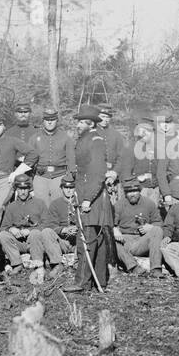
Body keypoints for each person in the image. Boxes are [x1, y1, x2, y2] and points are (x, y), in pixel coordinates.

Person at [64, 106, 116, 292]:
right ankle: (99, 281)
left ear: (91, 123)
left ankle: (82, 283)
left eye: (81, 122)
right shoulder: (85, 140)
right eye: (78, 121)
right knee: (96, 240)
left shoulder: (95, 141)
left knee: (86, 240)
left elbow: (97, 173)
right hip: (89, 195)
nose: (77, 125)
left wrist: (87, 199)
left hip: (92, 199)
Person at [113, 178, 164, 275]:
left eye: (135, 191)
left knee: (157, 230)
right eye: (129, 192)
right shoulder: (119, 205)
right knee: (111, 239)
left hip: (142, 240)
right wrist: (114, 229)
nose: (132, 194)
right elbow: (110, 222)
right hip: (125, 240)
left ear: (139, 191)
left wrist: (151, 227)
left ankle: (156, 268)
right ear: (125, 193)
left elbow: (159, 223)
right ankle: (133, 267)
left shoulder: (149, 203)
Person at [0, 174, 48, 272]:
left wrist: (30, 230)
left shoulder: (39, 203)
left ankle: (38, 264)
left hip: (34, 242)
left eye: (25, 189)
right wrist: (11, 229)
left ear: (29, 189)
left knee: (35, 233)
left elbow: (46, 223)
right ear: (16, 189)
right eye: (20, 189)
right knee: (3, 235)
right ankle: (17, 264)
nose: (23, 192)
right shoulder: (11, 206)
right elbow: (3, 227)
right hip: (18, 243)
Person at [29, 107, 74, 207]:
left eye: (52, 120)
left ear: (57, 120)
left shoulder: (66, 138)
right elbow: (28, 162)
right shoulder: (34, 138)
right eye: (47, 120)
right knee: (41, 206)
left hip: (59, 176)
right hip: (40, 176)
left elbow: (71, 161)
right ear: (43, 121)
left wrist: (70, 180)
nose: (50, 122)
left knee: (58, 206)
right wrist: (30, 184)